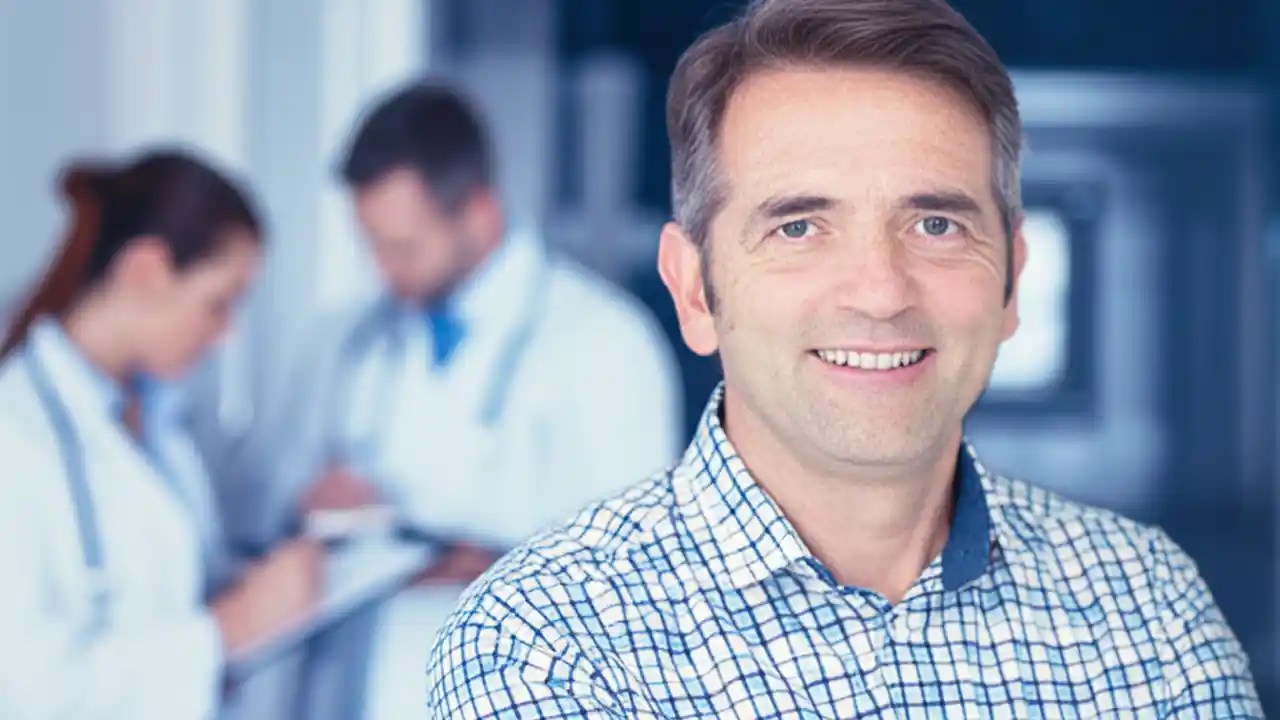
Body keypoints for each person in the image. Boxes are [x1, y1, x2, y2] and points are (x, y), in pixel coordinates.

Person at [425, 1, 1263, 717]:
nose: (879, 291)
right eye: (798, 227)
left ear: (1010, 284)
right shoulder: (544, 642)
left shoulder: (1149, 605)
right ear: (693, 293)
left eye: (935, 225)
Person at [237, 84, 681, 718]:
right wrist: (307, 501)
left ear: (478, 213)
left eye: (404, 247)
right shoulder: (345, 338)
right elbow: (255, 501)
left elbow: (638, 568)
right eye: (374, 246)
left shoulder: (605, 341)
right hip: (357, 686)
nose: (384, 270)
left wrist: (481, 559)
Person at [0, 151, 322, 720]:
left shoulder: (157, 418)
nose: (226, 335)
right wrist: (232, 626)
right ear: (145, 272)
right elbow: (26, 691)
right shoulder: (14, 434)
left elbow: (166, 585)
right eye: (217, 303)